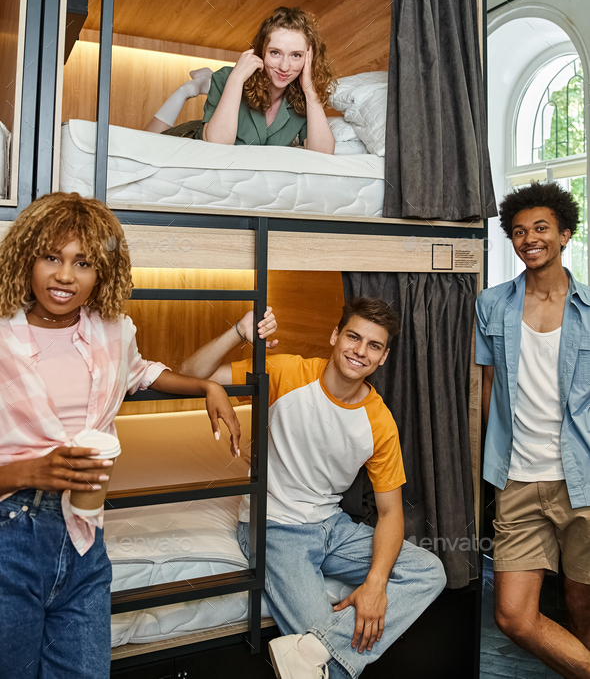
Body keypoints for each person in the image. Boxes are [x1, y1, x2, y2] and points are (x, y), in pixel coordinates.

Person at [0, 191, 277, 679]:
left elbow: (141, 371)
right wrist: (30, 471)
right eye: (51, 257)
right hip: (10, 531)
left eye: (83, 263)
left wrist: (207, 385)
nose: (65, 276)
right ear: (27, 257)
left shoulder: (112, 332)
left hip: (85, 537)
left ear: (101, 272)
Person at [180, 296, 447, 679]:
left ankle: (313, 648)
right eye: (353, 337)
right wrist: (239, 331)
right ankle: (322, 652)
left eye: (374, 345)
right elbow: (189, 373)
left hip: (332, 527)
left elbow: (391, 512)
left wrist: (375, 585)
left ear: (383, 357)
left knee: (429, 572)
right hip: (274, 527)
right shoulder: (288, 373)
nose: (360, 351)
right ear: (335, 335)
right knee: (332, 672)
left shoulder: (379, 421)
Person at [475, 181, 590, 679]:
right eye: (519, 231)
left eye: (541, 228)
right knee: (513, 616)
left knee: (582, 606)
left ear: (565, 234)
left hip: (582, 479)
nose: (529, 239)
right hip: (517, 478)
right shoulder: (491, 304)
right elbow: (488, 387)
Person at [145, 7, 337, 154]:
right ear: (261, 51)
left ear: (309, 58)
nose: (285, 67)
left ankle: (205, 81)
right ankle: (191, 88)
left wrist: (310, 92)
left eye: (296, 55)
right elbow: (217, 144)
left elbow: (323, 153)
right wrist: (235, 79)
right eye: (275, 53)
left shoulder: (304, 98)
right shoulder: (228, 77)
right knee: (146, 142)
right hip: (190, 136)